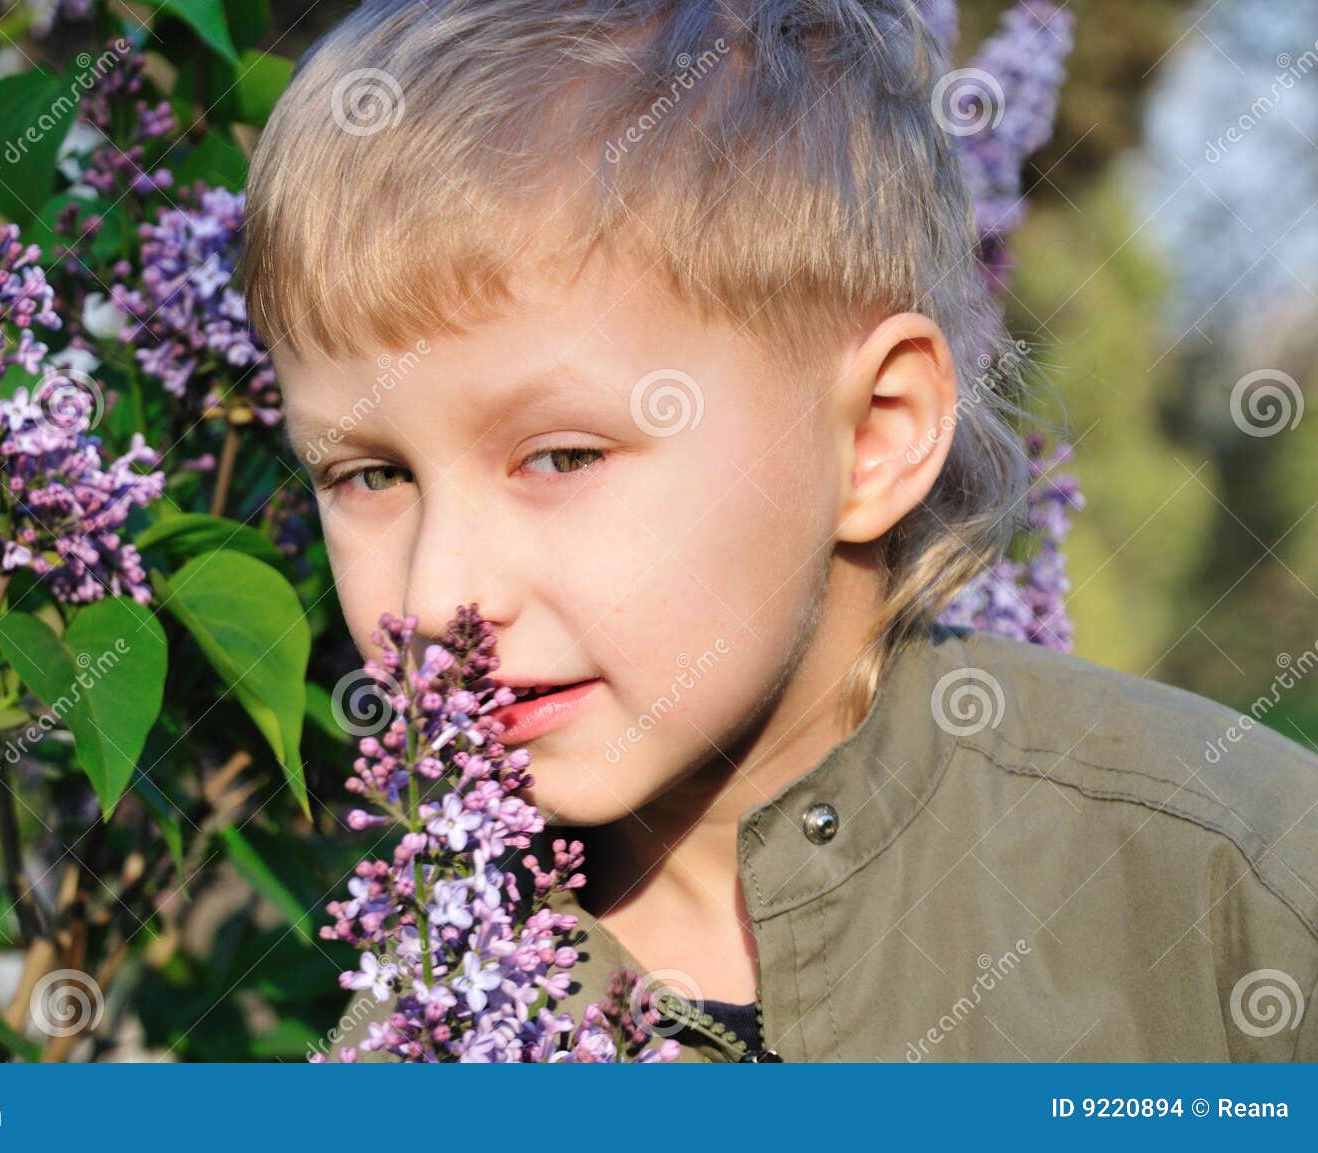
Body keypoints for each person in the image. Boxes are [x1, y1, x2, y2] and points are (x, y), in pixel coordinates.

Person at [240, 0, 1318, 1061]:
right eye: (370, 474)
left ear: (874, 438)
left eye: (560, 456)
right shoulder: (419, 1038)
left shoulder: (1239, 886)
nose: (436, 599)